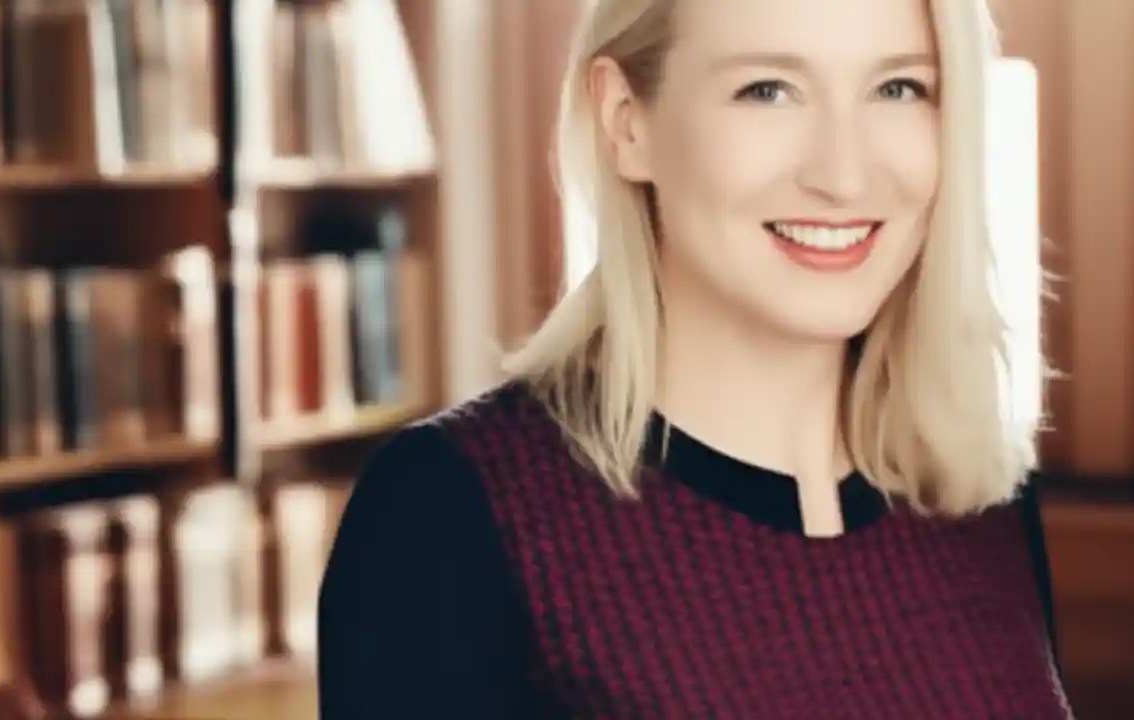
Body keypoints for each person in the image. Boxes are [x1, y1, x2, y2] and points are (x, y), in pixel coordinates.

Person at [318, 0, 1073, 717]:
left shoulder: (979, 492)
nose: (845, 175)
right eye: (768, 90)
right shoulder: (447, 513)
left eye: (900, 87)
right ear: (627, 123)